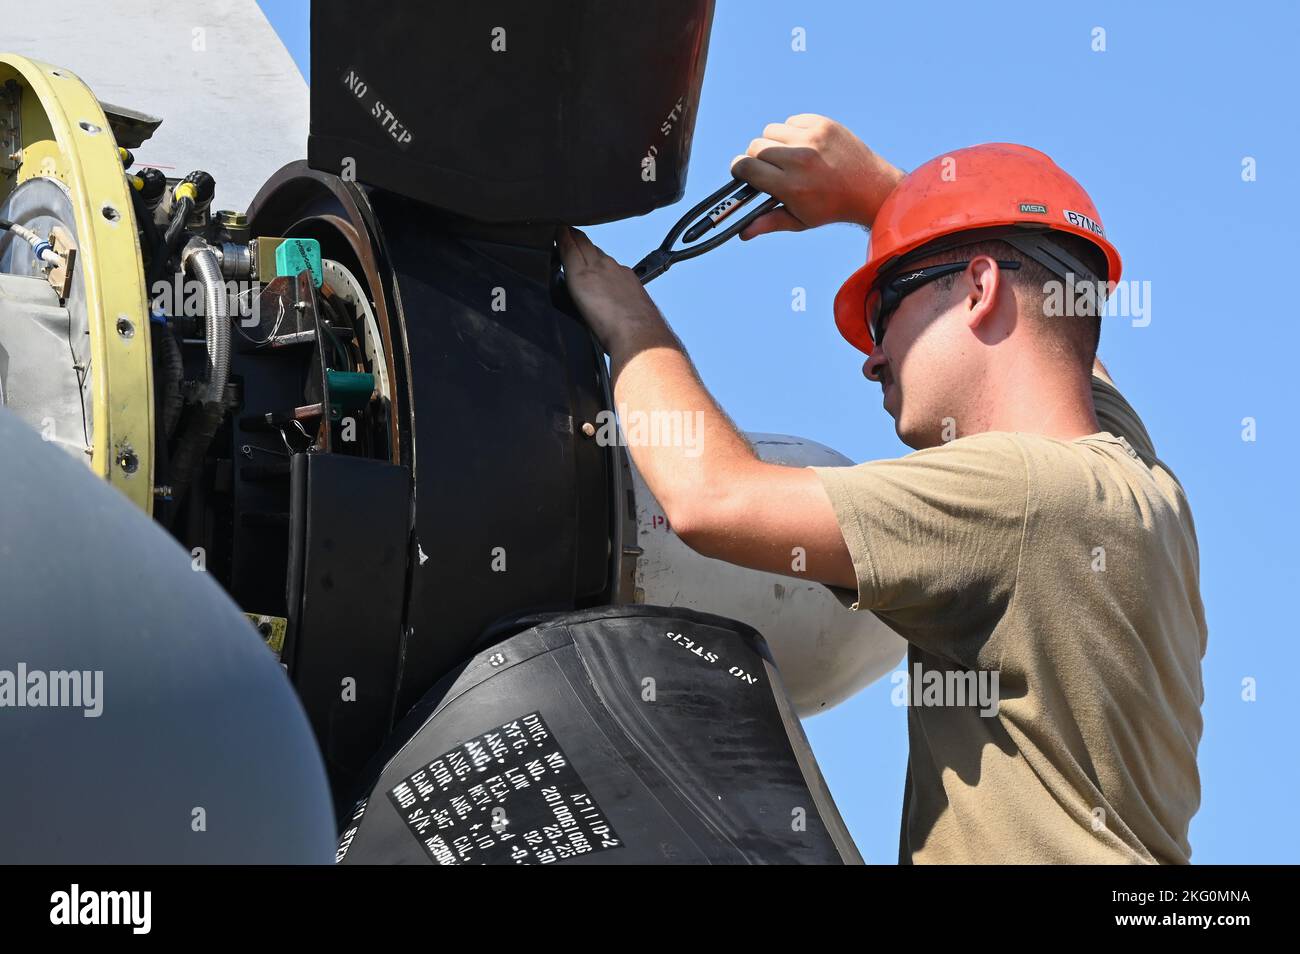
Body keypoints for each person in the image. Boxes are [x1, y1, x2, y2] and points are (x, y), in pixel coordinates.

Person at [556, 116, 1206, 864]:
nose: (872, 359)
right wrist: (886, 199)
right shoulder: (1138, 483)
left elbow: (713, 499)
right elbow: (1062, 334)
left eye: (886, 306)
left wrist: (629, 318)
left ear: (979, 289)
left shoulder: (1019, 494)